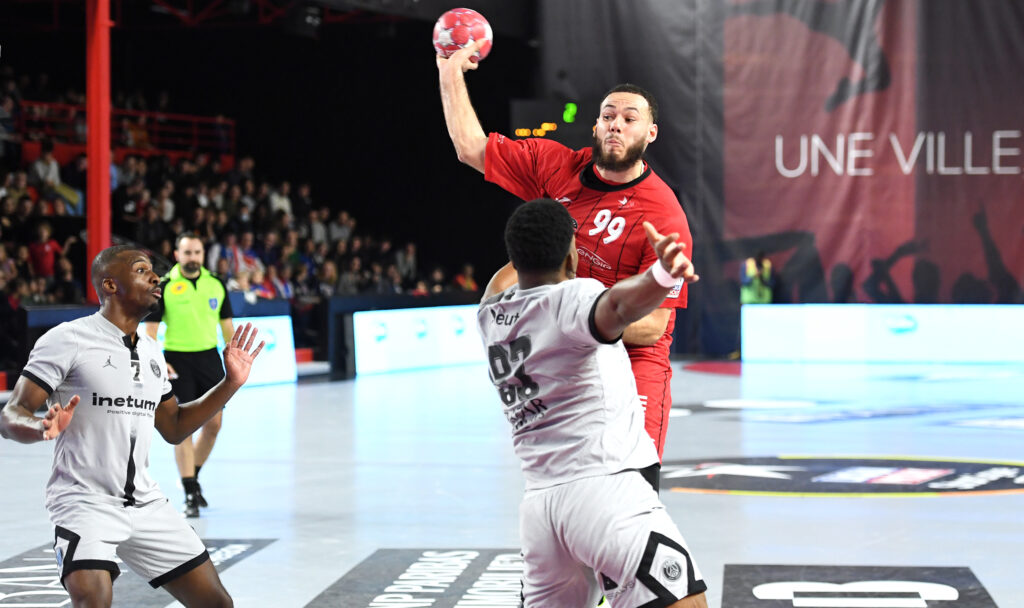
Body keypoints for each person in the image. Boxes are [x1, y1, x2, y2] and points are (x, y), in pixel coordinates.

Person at [438, 44, 694, 482]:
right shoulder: (555, 166)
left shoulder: (663, 214)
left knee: (632, 484)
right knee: (565, 482)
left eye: (630, 119)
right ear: (595, 124)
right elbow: (470, 148)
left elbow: (652, 326)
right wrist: (449, 74)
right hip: (568, 356)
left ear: (650, 133)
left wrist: (570, 318)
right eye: (609, 115)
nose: (617, 124)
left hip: (634, 363)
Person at [0, 244, 264, 607]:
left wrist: (230, 383)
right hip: (84, 501)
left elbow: (173, 426)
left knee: (218, 604)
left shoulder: (153, 351)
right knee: (94, 600)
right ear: (110, 285)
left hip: (145, 502)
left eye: (153, 271)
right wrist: (39, 426)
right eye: (141, 270)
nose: (155, 276)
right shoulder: (68, 339)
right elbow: (11, 414)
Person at [478, 200, 705, 608]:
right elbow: (617, 306)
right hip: (603, 489)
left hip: (541, 510)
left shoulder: (491, 311)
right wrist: (661, 274)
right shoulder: (571, 299)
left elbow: (513, 269)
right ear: (571, 256)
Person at [144, 233, 235, 518]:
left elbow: (228, 326)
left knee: (214, 425)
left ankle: (191, 475)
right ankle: (189, 492)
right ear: (176, 254)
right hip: (176, 360)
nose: (193, 258)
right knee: (183, 428)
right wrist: (160, 362)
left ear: (203, 254)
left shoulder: (216, 284)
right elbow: (150, 332)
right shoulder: (165, 285)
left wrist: (233, 357)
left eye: (197, 252)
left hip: (210, 359)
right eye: (187, 253)